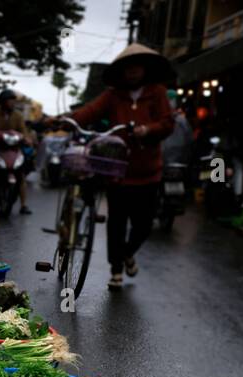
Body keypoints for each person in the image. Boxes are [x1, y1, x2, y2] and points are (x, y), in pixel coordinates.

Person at [57, 44, 175, 290]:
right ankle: (116, 269)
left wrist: (147, 129)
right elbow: (89, 111)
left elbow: (167, 124)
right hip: (118, 170)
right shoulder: (113, 95)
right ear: (122, 72)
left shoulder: (158, 92)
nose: (132, 72)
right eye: (127, 68)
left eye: (136, 67)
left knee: (143, 224)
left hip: (149, 170)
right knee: (117, 222)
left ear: (144, 69)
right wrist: (65, 121)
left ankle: (127, 253)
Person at [0, 89, 34, 214]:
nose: (12, 103)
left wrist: (27, 138)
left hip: (14, 148)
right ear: (2, 102)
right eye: (9, 100)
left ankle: (23, 204)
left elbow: (24, 131)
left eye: (13, 100)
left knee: (21, 175)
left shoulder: (18, 116)